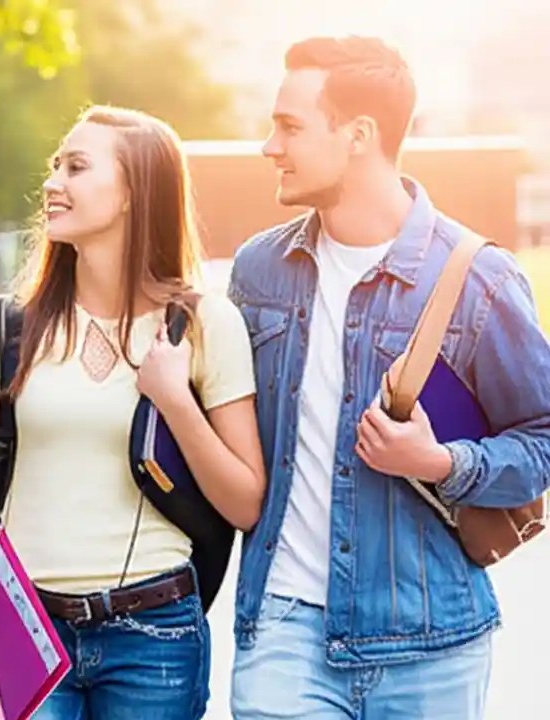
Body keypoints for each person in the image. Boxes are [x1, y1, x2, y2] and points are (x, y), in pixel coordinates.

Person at [228, 36, 550, 719]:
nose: (268, 147)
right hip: (284, 634)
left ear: (358, 135)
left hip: (431, 644)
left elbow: (542, 440)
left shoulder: (478, 279)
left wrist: (440, 462)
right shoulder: (257, 273)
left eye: (289, 127)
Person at [0, 105, 267, 720]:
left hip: (155, 639)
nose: (54, 182)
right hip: (27, 632)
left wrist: (175, 401)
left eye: (78, 167)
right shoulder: (11, 326)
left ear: (131, 195)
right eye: (56, 165)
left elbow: (246, 502)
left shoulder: (203, 325)